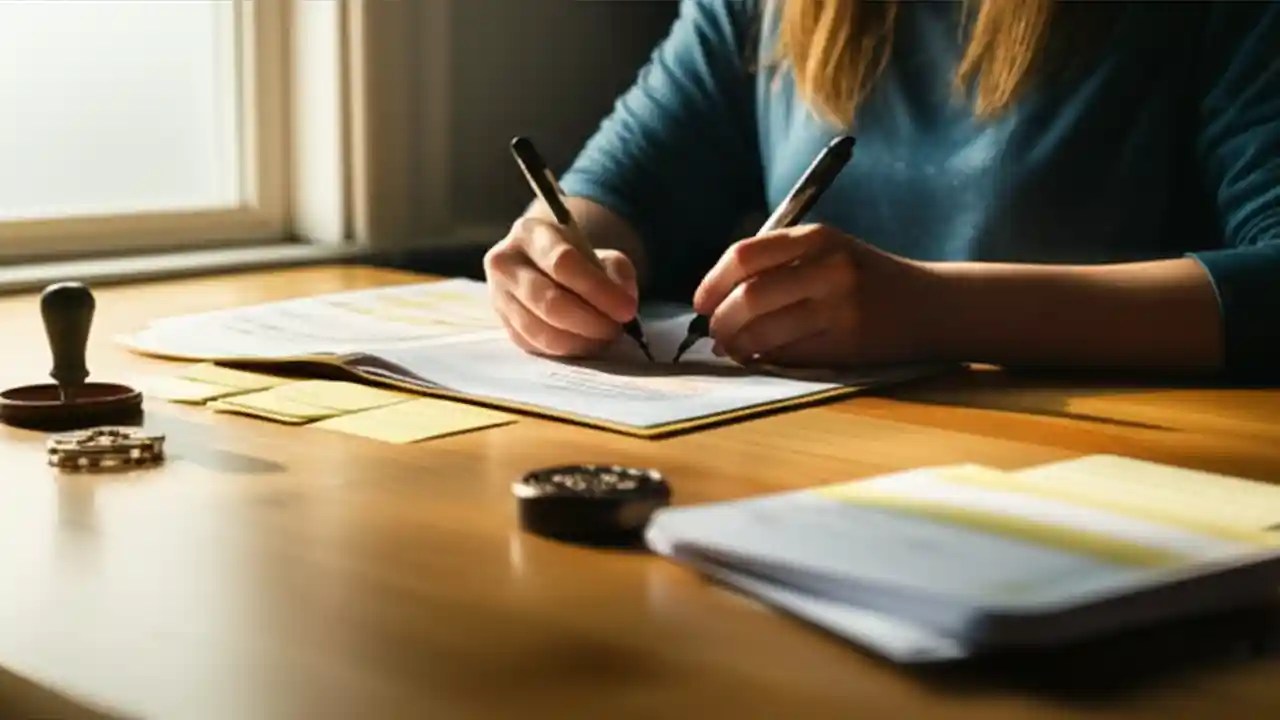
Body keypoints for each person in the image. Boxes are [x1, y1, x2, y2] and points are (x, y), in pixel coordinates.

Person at [482, 0, 1279, 380]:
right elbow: (613, 194)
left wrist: (937, 309)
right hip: (806, 480)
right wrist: (555, 261)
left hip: (1104, 489)